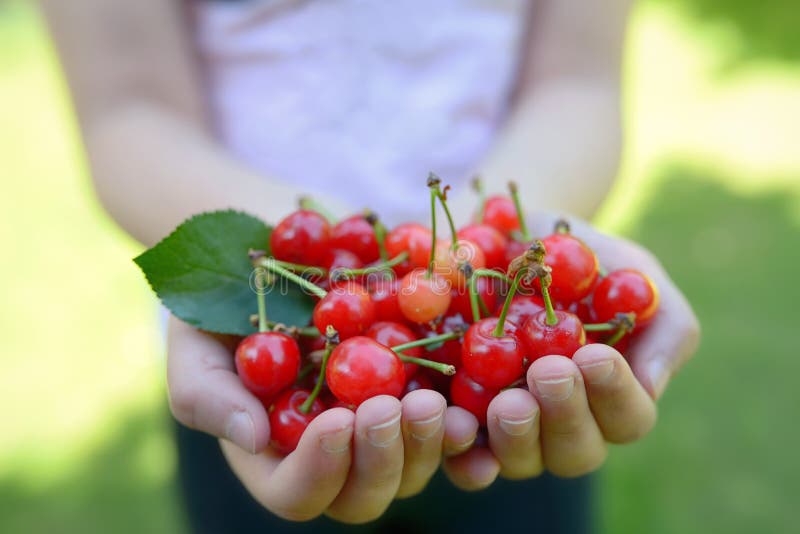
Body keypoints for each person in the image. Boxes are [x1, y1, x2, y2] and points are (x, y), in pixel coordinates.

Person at [41, 0, 700, 532]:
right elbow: (129, 106)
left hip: (519, 403)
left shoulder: (518, 330)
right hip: (262, 388)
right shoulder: (280, 350)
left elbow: (576, 80)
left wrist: (489, 229)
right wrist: (290, 262)